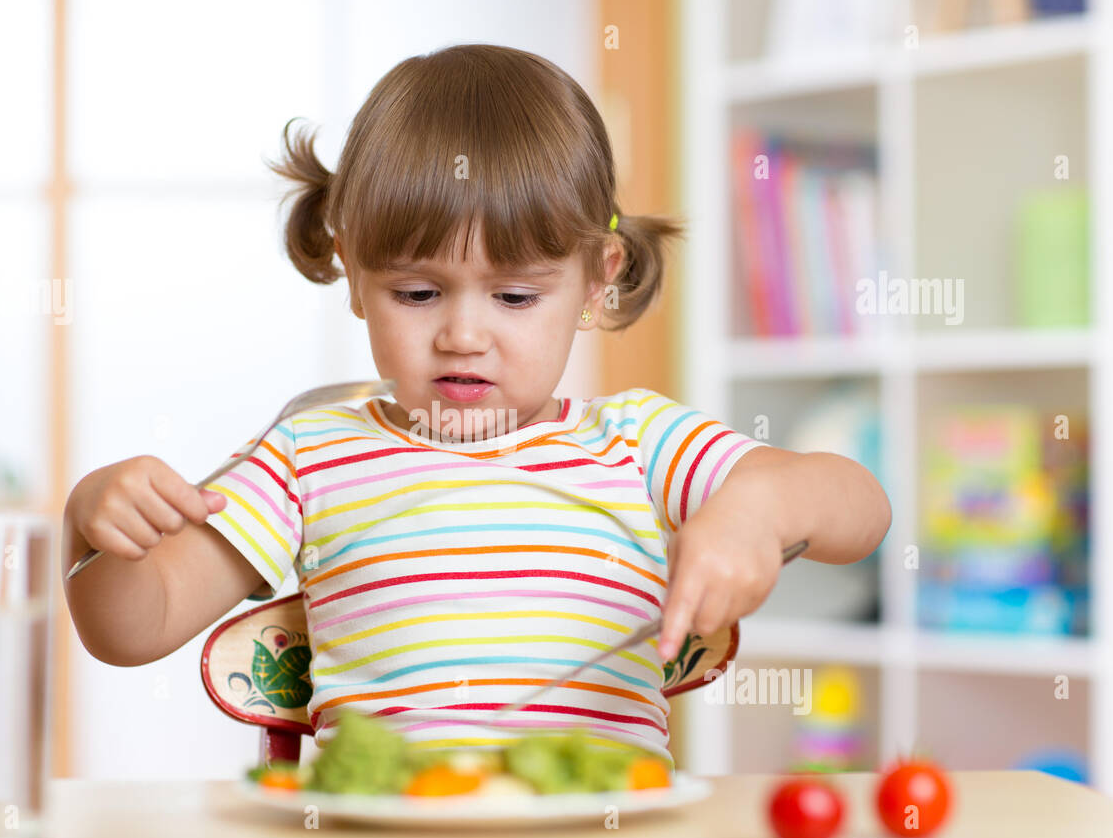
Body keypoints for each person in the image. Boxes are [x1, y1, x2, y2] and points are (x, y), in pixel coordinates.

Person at [63, 44, 891, 767]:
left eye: (516, 296)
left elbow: (862, 510)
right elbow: (132, 631)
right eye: (418, 292)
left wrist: (758, 506)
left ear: (597, 279)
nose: (463, 334)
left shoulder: (640, 444)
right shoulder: (307, 455)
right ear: (354, 275)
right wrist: (97, 524)